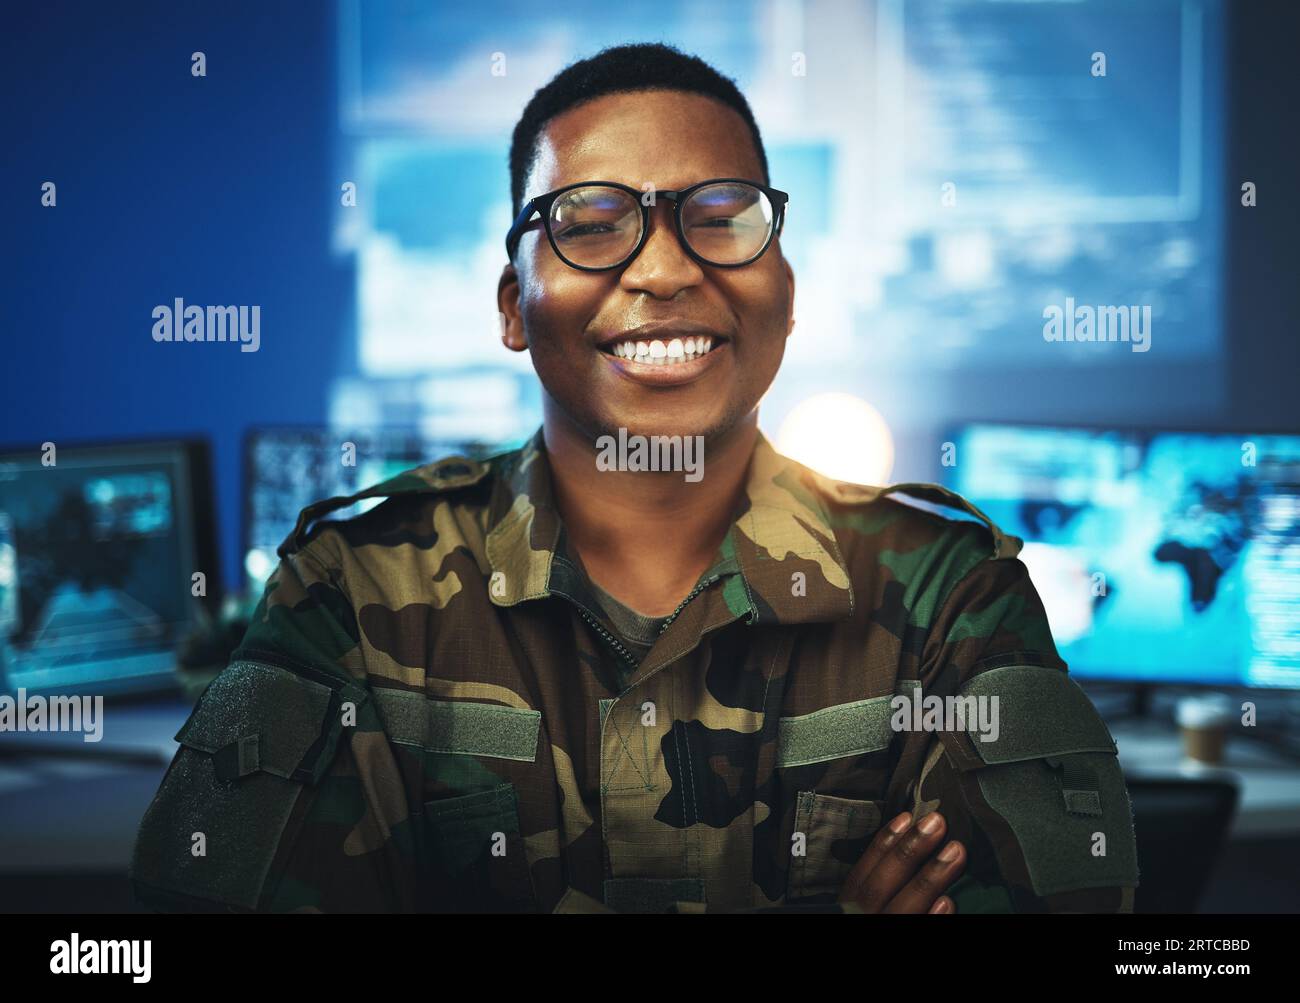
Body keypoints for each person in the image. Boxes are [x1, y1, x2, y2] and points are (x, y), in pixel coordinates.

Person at [130, 42, 1138, 914]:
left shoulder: (946, 590)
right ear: (513, 304)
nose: (663, 269)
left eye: (721, 213)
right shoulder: (353, 589)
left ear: (787, 293)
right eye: (591, 218)